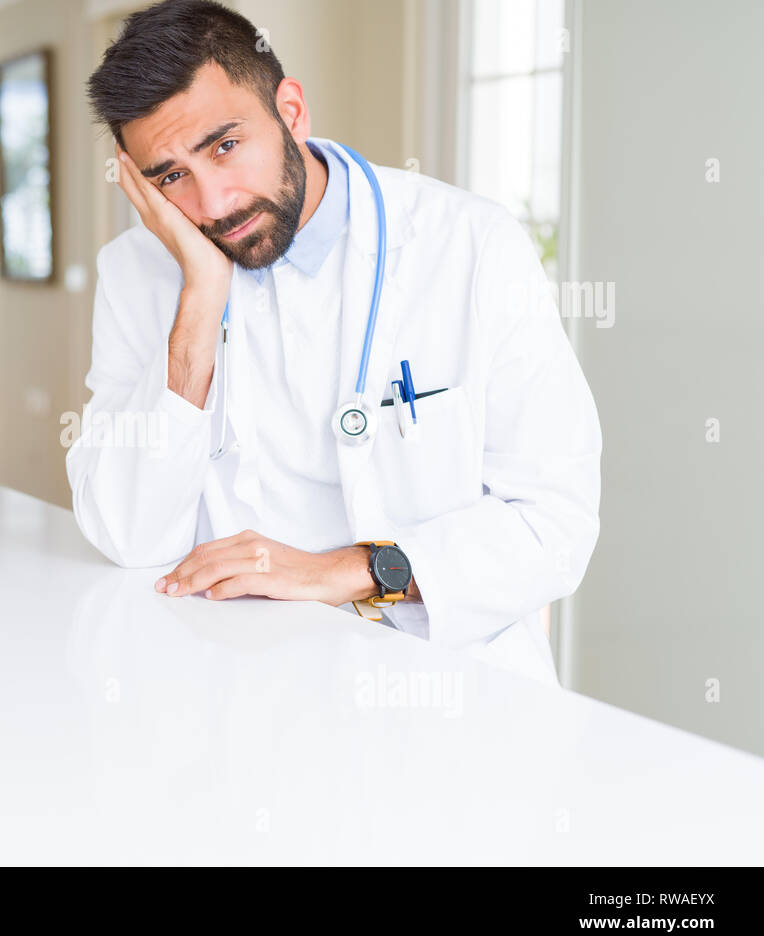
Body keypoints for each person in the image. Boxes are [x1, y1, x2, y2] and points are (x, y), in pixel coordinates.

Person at [66, 0, 601, 684]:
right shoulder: (136, 273)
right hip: (240, 696)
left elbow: (555, 522)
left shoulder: (470, 245)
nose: (213, 204)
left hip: (450, 695)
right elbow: (127, 534)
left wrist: (342, 571)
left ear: (291, 110)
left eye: (224, 146)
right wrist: (197, 303)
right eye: (171, 176)